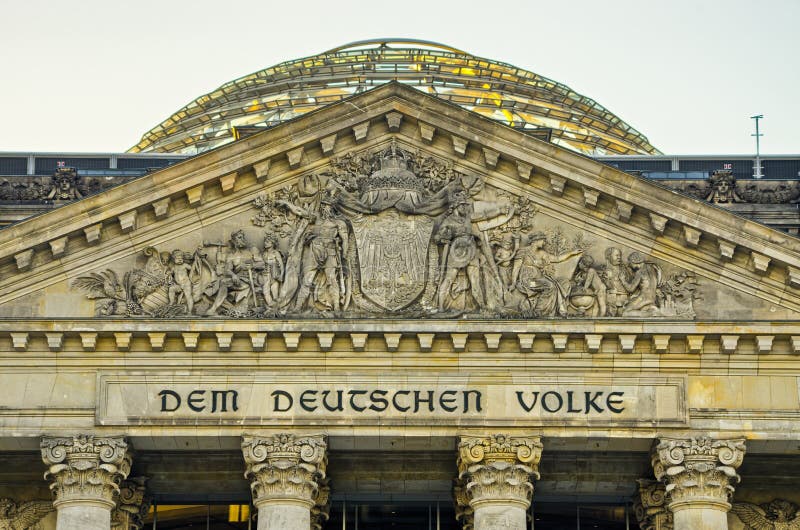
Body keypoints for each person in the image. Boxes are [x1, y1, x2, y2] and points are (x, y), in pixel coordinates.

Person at [293, 201, 349, 312]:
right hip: (314, 251)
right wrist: (287, 203)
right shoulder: (316, 219)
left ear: (333, 207)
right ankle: (298, 307)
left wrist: (344, 255)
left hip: (330, 252)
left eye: (327, 205)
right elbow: (300, 212)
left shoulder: (339, 223)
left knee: (332, 279)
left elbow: (345, 240)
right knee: (306, 280)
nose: (324, 208)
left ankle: (337, 307)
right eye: (322, 205)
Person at [511, 232, 581, 317]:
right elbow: (516, 268)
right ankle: (539, 311)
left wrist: (572, 253)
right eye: (542, 240)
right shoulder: (523, 252)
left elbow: (557, 259)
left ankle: (551, 310)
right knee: (549, 285)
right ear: (535, 241)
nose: (544, 243)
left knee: (562, 282)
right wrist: (513, 283)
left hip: (539, 279)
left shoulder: (542, 253)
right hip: (528, 281)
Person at [204, 230, 263, 316]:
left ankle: (214, 308)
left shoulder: (251, 252)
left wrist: (253, 265)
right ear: (234, 241)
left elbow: (262, 264)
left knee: (223, 283)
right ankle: (220, 308)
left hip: (250, 280)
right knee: (219, 284)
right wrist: (234, 275)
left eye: (242, 237)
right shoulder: (231, 256)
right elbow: (228, 270)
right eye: (239, 237)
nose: (242, 239)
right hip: (238, 280)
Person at [260, 233, 284, 307]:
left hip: (274, 275)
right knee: (265, 292)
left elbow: (281, 266)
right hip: (266, 275)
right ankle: (271, 306)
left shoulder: (276, 253)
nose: (265, 243)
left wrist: (281, 275)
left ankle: (276, 308)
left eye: (267, 242)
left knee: (275, 292)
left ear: (272, 243)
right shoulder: (264, 253)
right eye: (265, 241)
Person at [167, 250, 196, 314]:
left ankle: (190, 311)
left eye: (181, 258)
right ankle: (171, 302)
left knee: (188, 296)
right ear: (174, 259)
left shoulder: (185, 265)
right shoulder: (174, 267)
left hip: (186, 284)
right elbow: (170, 273)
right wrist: (169, 273)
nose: (180, 260)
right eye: (178, 258)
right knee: (171, 289)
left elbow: (192, 268)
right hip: (179, 285)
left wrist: (193, 261)